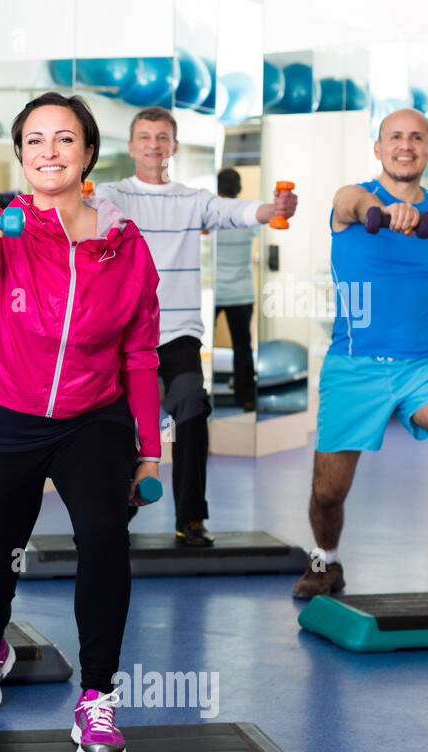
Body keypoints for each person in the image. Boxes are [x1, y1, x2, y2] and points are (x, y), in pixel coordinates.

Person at [0, 92, 161, 752]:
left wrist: (150, 452)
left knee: (104, 540)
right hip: (4, 411)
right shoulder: (2, 229)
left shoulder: (124, 247)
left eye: (64, 139)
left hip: (91, 418)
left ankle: (98, 699)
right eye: (34, 140)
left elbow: (141, 355)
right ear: (20, 154)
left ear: (89, 153)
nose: (49, 152)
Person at [292, 108, 428, 610]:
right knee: (328, 492)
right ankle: (325, 559)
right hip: (354, 365)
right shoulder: (350, 202)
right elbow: (351, 201)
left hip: (422, 366)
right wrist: (384, 209)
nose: (405, 145)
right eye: (395, 137)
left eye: (417, 137)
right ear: (379, 148)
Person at [95, 107, 296, 546]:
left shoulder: (192, 199)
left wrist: (272, 209)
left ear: (174, 147)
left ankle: (191, 519)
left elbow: (236, 212)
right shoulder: (110, 195)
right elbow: (72, 203)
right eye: (145, 137)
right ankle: (115, 513)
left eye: (162, 137)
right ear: (131, 147)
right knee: (114, 423)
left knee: (191, 407)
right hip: (124, 334)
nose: (153, 144)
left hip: (177, 332)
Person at [213, 168, 257, 411]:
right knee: (243, 347)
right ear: (239, 188)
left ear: (217, 188)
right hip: (241, 291)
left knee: (200, 344)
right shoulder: (247, 212)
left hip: (216, 292)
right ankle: (246, 398)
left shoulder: (212, 211)